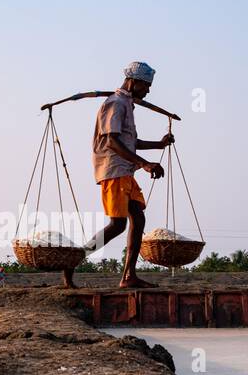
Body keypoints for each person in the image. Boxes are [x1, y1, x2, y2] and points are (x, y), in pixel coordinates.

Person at [66, 61, 173, 289]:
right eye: (146, 85)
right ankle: (73, 261)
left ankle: (128, 276)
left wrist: (159, 144)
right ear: (133, 82)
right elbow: (111, 141)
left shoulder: (127, 105)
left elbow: (130, 142)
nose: (148, 91)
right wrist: (144, 164)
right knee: (117, 224)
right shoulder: (115, 103)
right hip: (114, 170)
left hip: (125, 170)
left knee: (138, 218)